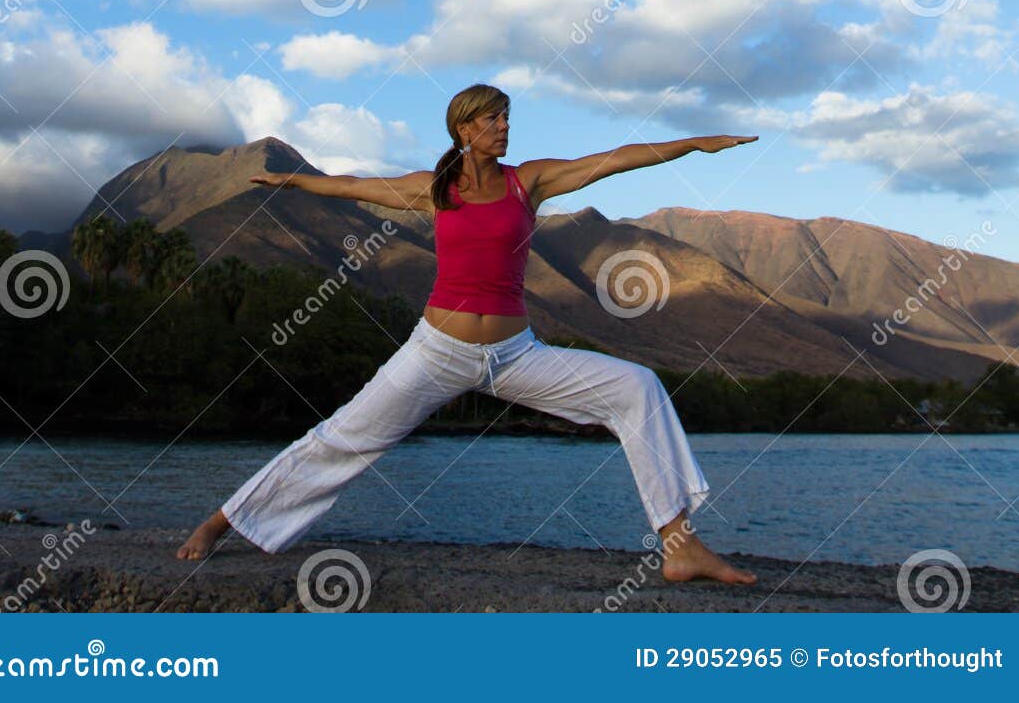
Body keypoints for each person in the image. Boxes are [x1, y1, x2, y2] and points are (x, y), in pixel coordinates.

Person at [177, 83, 758, 586]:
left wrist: (695, 143)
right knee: (339, 439)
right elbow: (350, 185)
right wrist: (291, 182)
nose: (505, 128)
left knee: (639, 388)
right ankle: (221, 522)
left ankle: (680, 547)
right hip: (437, 352)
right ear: (463, 128)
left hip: (515, 355)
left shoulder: (527, 183)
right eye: (493, 119)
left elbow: (612, 158)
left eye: (507, 118)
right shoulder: (433, 188)